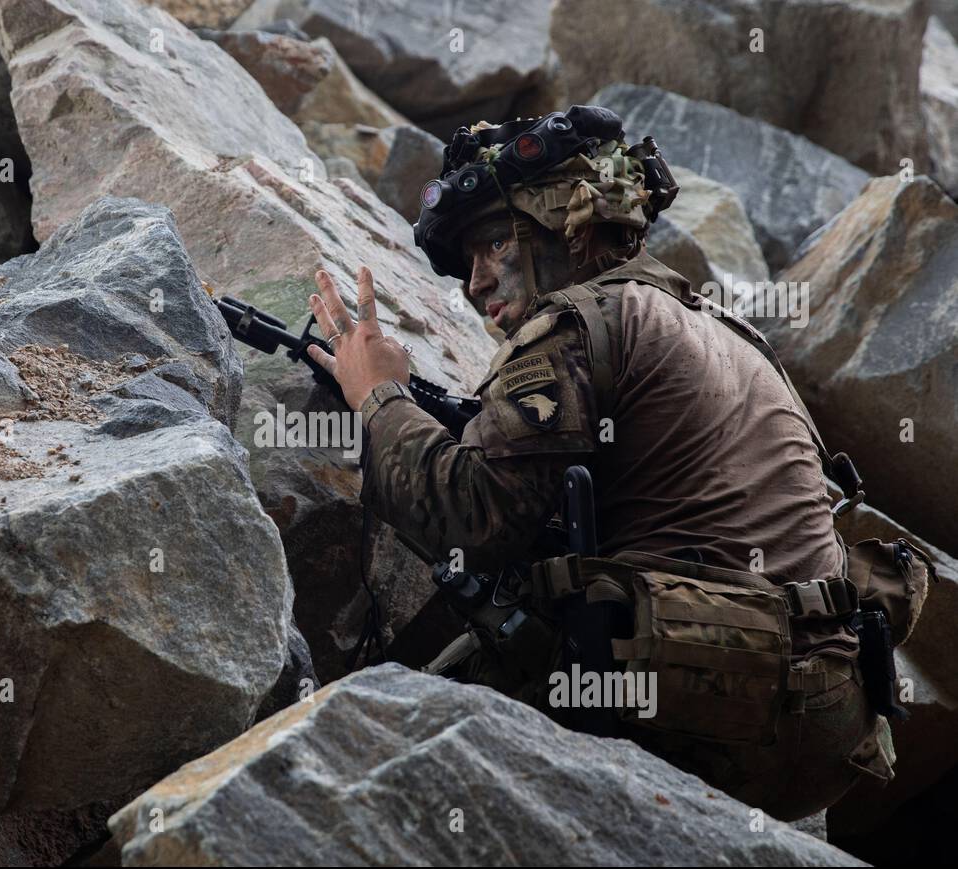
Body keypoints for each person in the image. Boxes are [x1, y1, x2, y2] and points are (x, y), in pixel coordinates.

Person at [303, 106, 897, 821]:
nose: (476, 281)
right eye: (467, 262)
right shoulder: (729, 332)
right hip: (828, 722)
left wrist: (377, 395)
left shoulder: (577, 324)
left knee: (372, 750)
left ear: (568, 222)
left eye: (494, 242)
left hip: (709, 702)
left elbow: (471, 518)